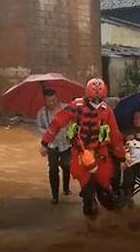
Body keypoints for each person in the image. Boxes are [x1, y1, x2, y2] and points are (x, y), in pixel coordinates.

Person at [40, 78, 125, 219]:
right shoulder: (75, 107)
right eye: (94, 100)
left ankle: (110, 208)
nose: (96, 104)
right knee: (87, 193)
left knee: (105, 190)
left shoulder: (107, 111)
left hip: (101, 155)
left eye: (99, 100)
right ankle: (90, 217)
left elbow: (115, 135)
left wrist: (121, 157)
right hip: (80, 154)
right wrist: (45, 143)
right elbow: (57, 123)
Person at [36, 88, 72, 205]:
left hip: (66, 143)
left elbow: (74, 123)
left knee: (67, 166)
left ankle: (66, 188)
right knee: (53, 169)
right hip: (52, 145)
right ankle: (55, 196)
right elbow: (40, 128)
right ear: (45, 101)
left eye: (53, 100)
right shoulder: (42, 113)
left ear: (57, 98)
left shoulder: (67, 108)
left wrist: (69, 133)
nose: (51, 103)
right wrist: (48, 137)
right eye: (48, 101)